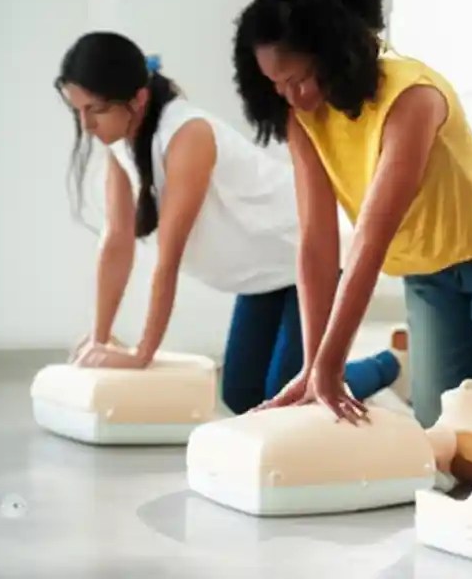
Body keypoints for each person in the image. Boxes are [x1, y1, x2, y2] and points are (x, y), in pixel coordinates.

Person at [232, 0, 472, 429]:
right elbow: (318, 242)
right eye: (277, 84)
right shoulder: (300, 114)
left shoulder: (412, 97)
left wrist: (332, 365)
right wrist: (311, 364)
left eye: (299, 78)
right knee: (442, 439)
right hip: (427, 273)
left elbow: (370, 236)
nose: (292, 96)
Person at [56, 31, 399, 414]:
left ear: (137, 99)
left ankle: (385, 366)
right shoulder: (119, 147)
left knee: (287, 398)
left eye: (96, 110)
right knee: (240, 396)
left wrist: (142, 354)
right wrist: (99, 340)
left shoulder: (187, 135)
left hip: (307, 257)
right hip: (261, 277)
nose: (86, 125)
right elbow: (116, 242)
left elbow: (168, 257)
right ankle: (341, 372)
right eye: (78, 111)